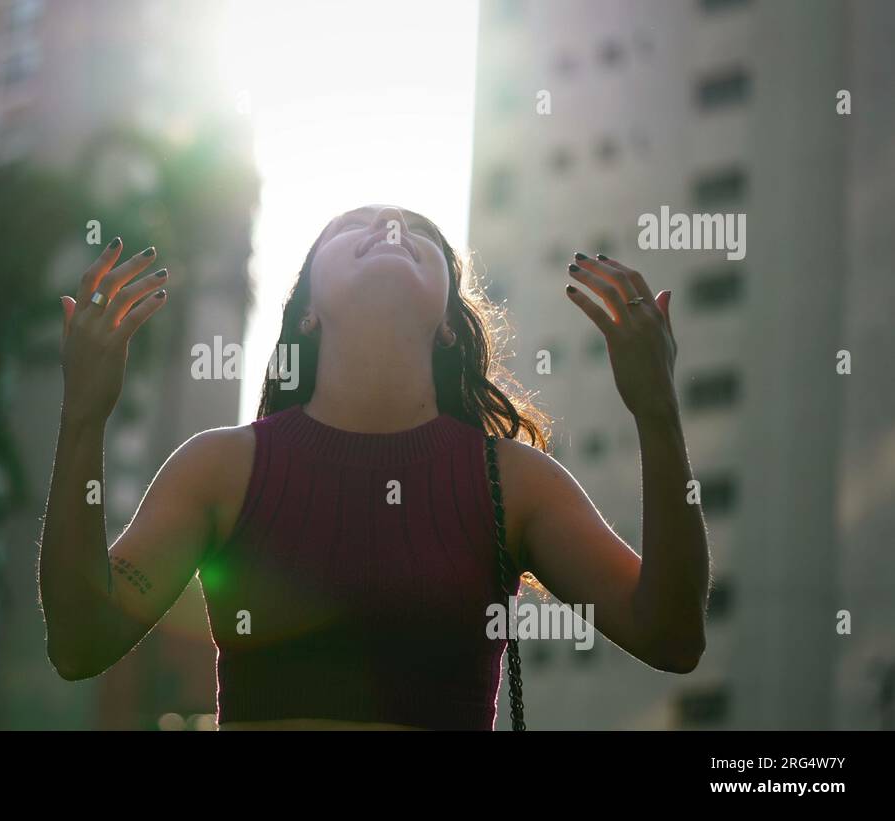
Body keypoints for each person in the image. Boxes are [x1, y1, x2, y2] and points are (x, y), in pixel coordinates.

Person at [38, 204, 709, 730]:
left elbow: (671, 634)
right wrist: (83, 416)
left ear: (449, 320)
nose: (390, 227)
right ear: (308, 309)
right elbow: (80, 643)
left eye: (417, 229)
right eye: (354, 224)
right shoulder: (220, 466)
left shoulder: (517, 480)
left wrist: (657, 411)